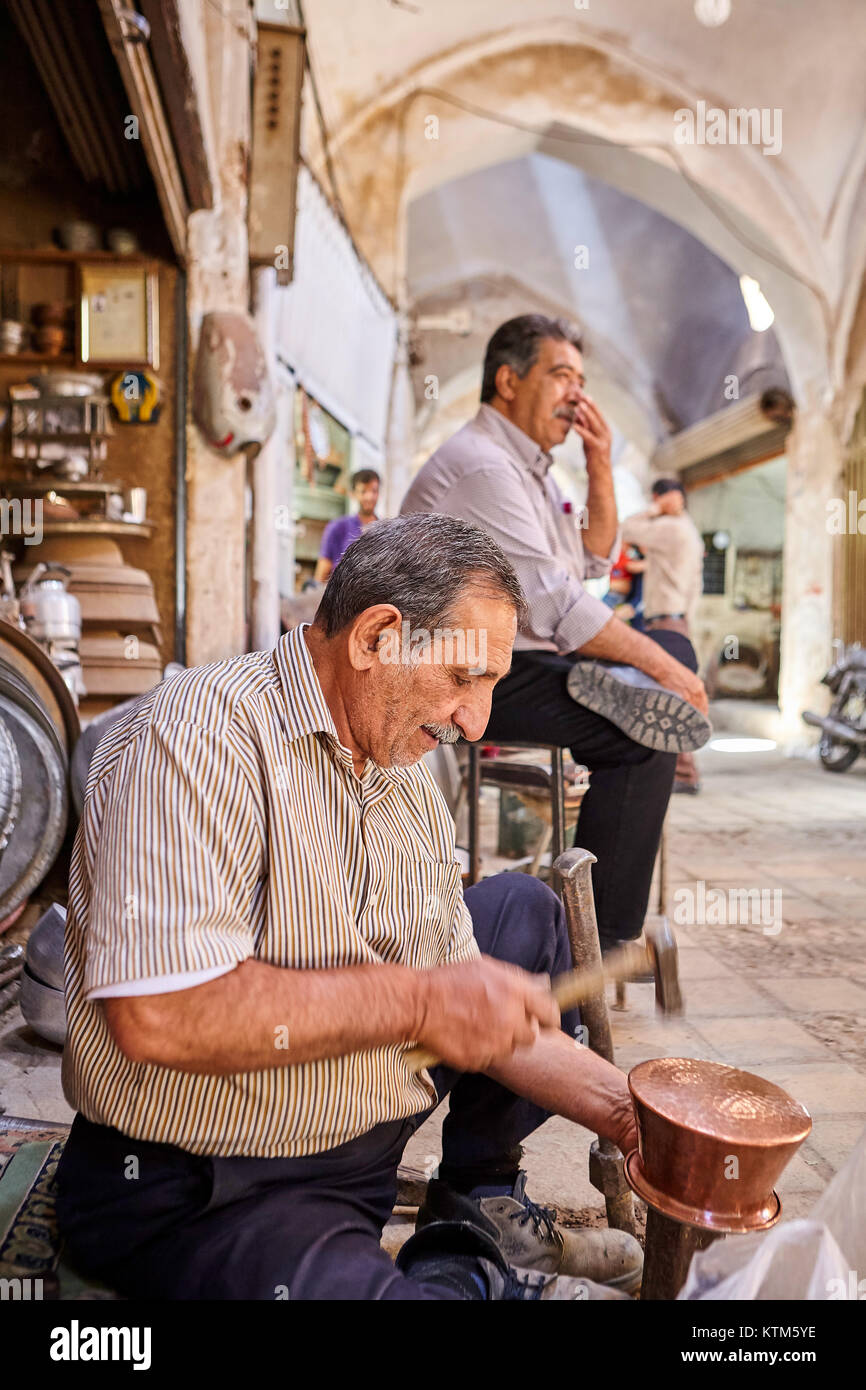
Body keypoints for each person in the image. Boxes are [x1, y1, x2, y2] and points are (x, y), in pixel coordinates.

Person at [56, 514, 642, 1302]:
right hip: (210, 1186)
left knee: (517, 914)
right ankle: (462, 1263)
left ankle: (476, 1204)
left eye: (491, 686)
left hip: (356, 1146)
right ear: (377, 638)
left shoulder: (400, 764)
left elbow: (477, 1011)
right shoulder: (193, 740)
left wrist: (630, 1117)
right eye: (464, 679)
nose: (476, 722)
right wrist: (424, 1000)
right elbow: (158, 1011)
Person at [400, 315, 709, 951]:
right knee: (643, 731)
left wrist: (599, 463)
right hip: (465, 673)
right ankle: (591, 946)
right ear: (509, 380)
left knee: (661, 674)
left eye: (582, 379)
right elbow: (555, 604)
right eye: (561, 375)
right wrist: (662, 671)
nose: (576, 392)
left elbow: (591, 561)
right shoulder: (486, 468)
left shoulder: (533, 472)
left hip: (518, 663)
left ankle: (592, 931)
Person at [622, 478, 705, 793]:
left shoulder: (670, 528)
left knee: (669, 696)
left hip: (666, 623)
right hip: (679, 621)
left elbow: (625, 529)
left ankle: (683, 773)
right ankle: (684, 772)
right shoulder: (688, 530)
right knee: (677, 692)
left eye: (656, 499)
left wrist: (654, 509)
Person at [314, 467, 380, 582]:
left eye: (374, 491)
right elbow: (321, 576)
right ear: (352, 494)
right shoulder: (337, 528)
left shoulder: (386, 532)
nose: (369, 497)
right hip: (341, 596)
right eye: (363, 491)